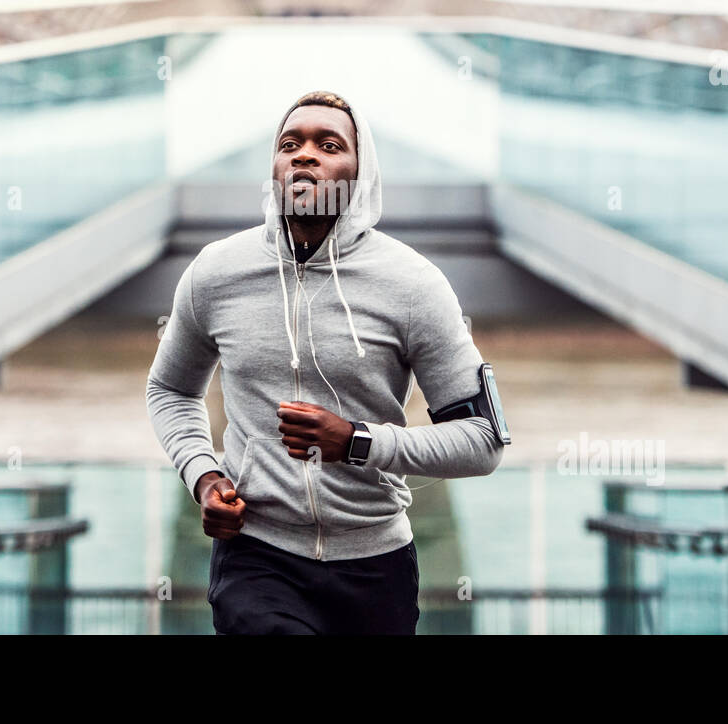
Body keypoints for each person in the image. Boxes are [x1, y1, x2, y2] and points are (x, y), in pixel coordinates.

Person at [145, 90, 506, 635]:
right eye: (290, 143)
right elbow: (170, 390)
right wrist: (203, 476)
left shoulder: (413, 285)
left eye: (328, 144)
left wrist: (357, 441)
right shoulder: (216, 273)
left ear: (360, 173)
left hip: (376, 567)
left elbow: (483, 441)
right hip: (257, 559)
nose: (304, 155)